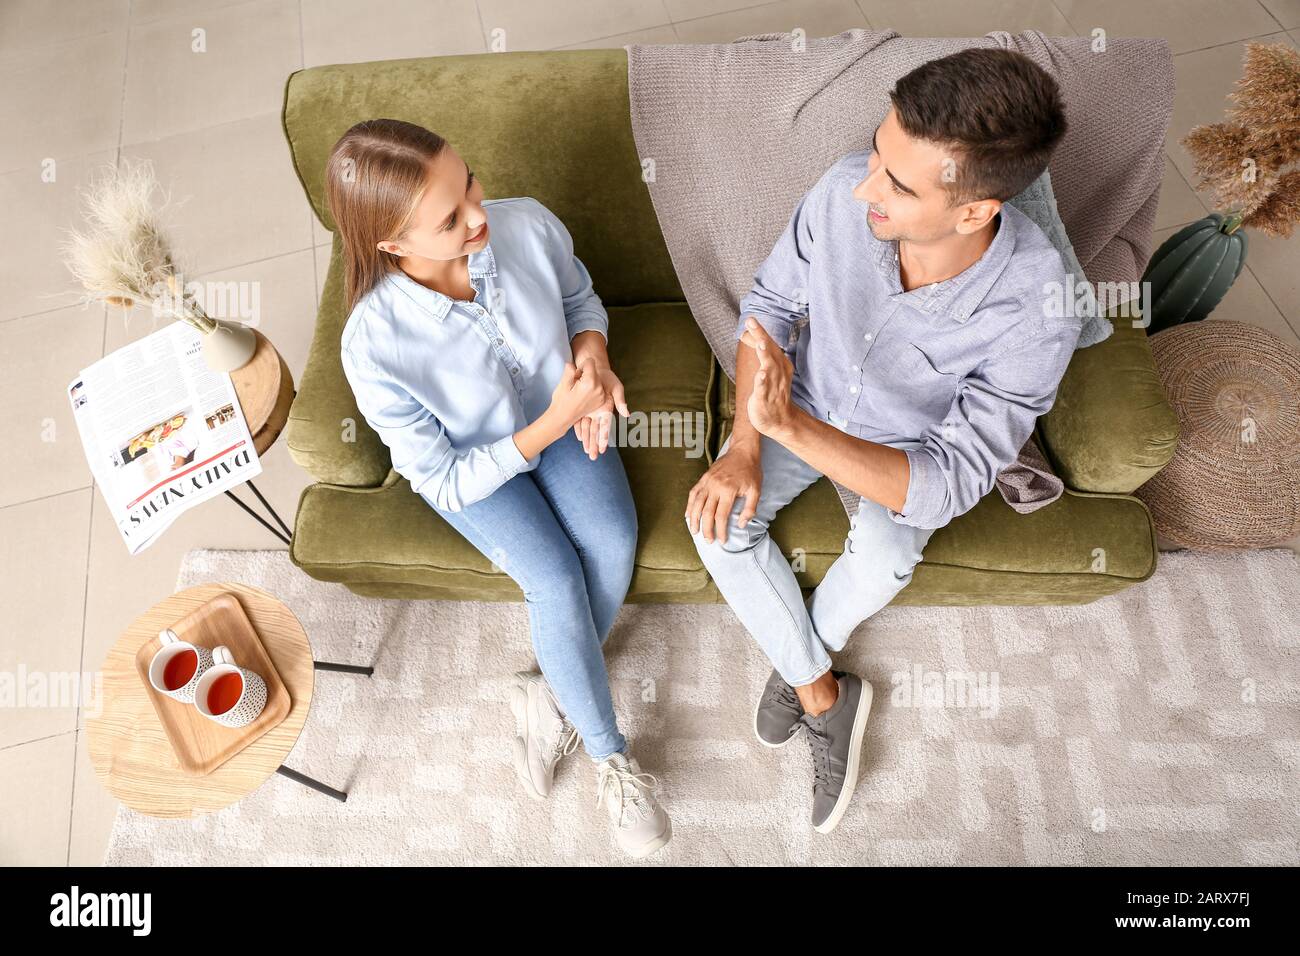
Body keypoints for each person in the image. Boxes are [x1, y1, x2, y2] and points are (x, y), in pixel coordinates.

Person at [687, 49, 1080, 834]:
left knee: (889, 556)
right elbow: (769, 304)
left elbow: (947, 482)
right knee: (718, 527)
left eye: (899, 184)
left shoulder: (1037, 307)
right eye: (878, 151)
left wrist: (787, 428)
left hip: (908, 445)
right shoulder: (844, 191)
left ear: (976, 211)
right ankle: (820, 689)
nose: (864, 183)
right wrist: (742, 444)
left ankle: (798, 657)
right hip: (809, 395)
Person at [325, 119, 670, 858]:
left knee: (612, 542)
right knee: (553, 578)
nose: (480, 214)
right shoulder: (374, 345)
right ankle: (612, 755)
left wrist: (594, 356)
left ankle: (550, 689)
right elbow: (444, 480)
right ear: (394, 245)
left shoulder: (527, 226)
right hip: (477, 466)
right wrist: (552, 423)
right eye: (450, 220)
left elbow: (580, 300)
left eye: (470, 183)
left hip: (563, 412)